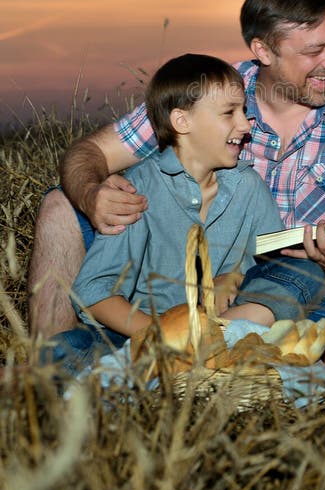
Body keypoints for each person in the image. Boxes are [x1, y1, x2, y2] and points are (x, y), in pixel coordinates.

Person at [29, 0, 325, 369]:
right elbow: (90, 153)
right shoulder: (213, 91)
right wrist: (91, 196)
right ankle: (46, 377)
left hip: (301, 278)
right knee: (59, 206)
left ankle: (166, 358)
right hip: (190, 271)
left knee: (317, 301)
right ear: (263, 50)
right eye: (315, 51)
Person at [51, 54, 284, 372]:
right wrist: (158, 336)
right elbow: (93, 290)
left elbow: (277, 268)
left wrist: (237, 277)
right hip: (142, 335)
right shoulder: (139, 189)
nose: (245, 125)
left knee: (307, 277)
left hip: (229, 331)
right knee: (65, 350)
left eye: (243, 110)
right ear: (181, 122)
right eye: (230, 112)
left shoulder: (248, 186)